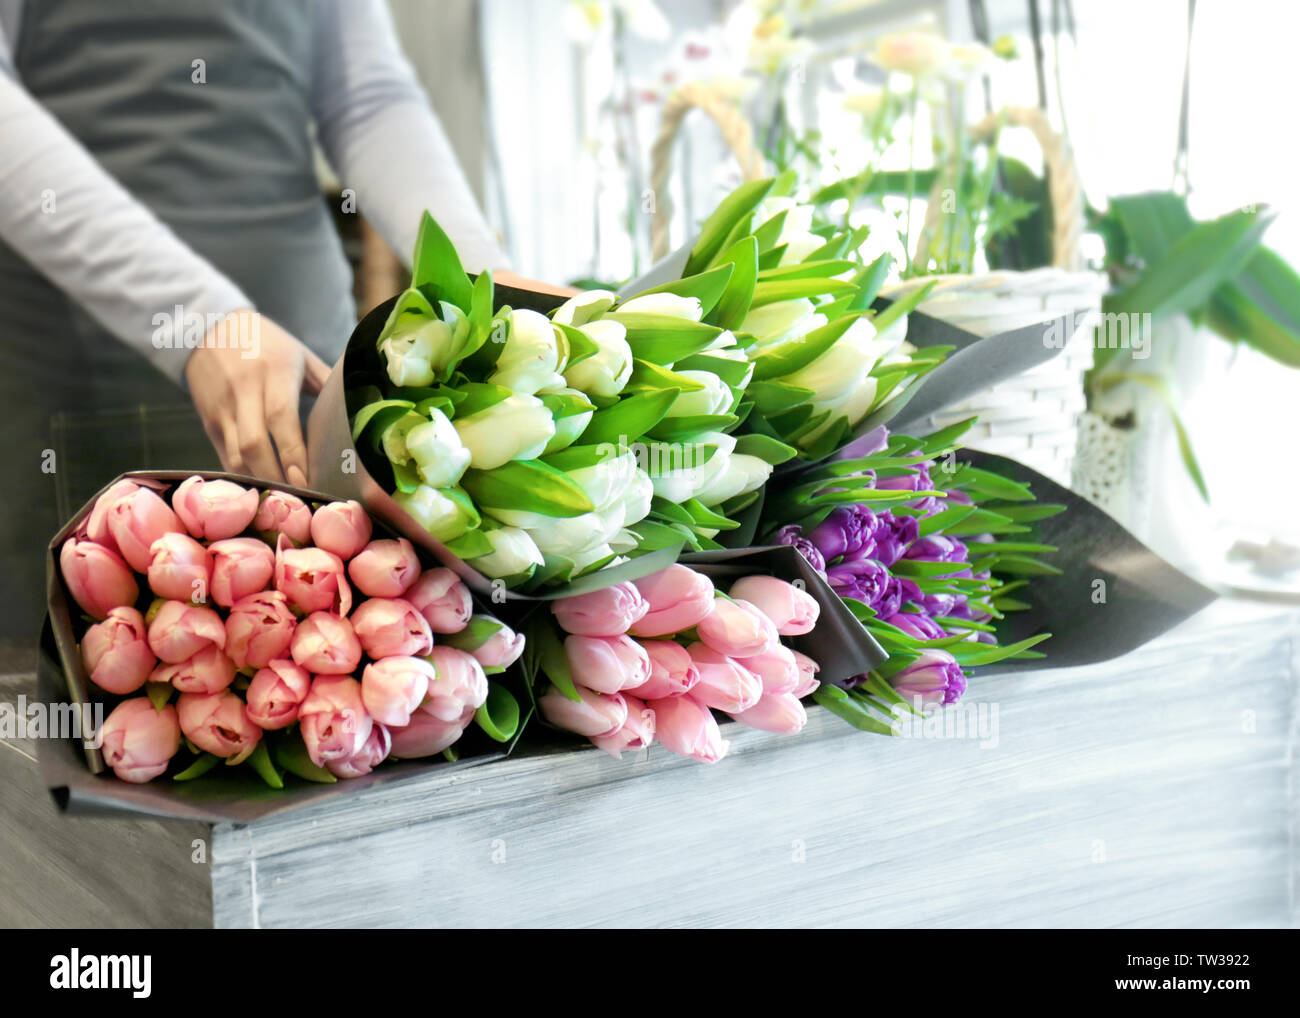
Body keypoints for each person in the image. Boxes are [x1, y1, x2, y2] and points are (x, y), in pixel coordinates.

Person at [0, 0, 559, 645]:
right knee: (86, 677)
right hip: (83, 343)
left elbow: (365, 95)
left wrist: (484, 278)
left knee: (321, 655)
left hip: (300, 345)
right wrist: (193, 315)